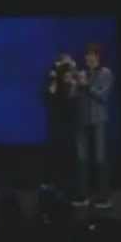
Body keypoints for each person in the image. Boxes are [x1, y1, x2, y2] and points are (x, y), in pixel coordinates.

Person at [72, 43, 115, 208]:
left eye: (92, 55)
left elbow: (103, 96)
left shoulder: (106, 73)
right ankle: (82, 196)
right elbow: (74, 96)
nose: (88, 58)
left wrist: (87, 85)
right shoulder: (81, 73)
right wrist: (74, 84)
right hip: (81, 121)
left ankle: (104, 198)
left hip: (98, 120)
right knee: (81, 159)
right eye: (87, 55)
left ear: (98, 57)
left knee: (100, 158)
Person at [42, 52, 78, 191]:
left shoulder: (74, 81)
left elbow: (75, 100)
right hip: (56, 124)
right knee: (55, 154)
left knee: (69, 154)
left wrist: (72, 75)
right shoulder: (54, 80)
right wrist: (54, 77)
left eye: (68, 62)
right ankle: (54, 184)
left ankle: (69, 186)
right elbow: (47, 97)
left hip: (70, 124)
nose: (66, 65)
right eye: (63, 62)